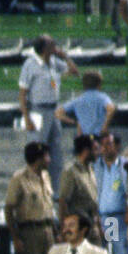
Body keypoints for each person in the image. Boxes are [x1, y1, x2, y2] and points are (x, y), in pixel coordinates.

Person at [18, 35, 79, 192]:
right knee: (37, 151)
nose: (56, 47)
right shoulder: (30, 65)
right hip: (37, 110)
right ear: (44, 48)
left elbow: (74, 71)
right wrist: (26, 117)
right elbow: (22, 93)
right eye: (52, 45)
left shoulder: (53, 62)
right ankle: (34, 188)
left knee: (55, 152)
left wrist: (65, 56)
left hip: (54, 110)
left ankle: (56, 191)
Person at [94, 130, 128, 254]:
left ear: (117, 146)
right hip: (101, 218)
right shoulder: (95, 167)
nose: (106, 148)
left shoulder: (125, 166)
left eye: (109, 144)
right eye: (103, 145)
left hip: (118, 218)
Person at [59, 134, 100, 239]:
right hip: (78, 230)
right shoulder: (71, 172)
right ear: (86, 151)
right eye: (95, 149)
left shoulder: (91, 169)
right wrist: (64, 231)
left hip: (92, 226)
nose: (98, 153)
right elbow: (63, 203)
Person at [57, 71, 116, 141]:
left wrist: (74, 122)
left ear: (84, 85)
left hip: (83, 137)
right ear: (99, 84)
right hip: (99, 135)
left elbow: (58, 113)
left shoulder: (78, 100)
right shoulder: (102, 98)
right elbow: (111, 108)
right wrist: (105, 126)